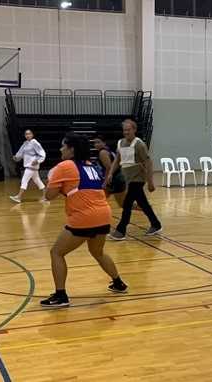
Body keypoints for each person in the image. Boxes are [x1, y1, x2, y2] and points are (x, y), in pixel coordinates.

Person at [40, 133, 128, 307]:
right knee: (98, 252)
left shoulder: (64, 166)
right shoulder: (91, 166)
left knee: (56, 253)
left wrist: (51, 182)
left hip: (84, 217)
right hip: (103, 214)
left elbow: (49, 196)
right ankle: (118, 283)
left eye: (63, 146)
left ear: (71, 149)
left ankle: (61, 296)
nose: (60, 149)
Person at [106, 119, 162, 240]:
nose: (126, 132)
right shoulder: (120, 143)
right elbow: (117, 160)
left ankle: (121, 230)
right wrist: (110, 173)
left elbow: (148, 162)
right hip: (128, 178)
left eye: (128, 129)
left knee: (127, 204)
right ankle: (156, 224)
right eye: (124, 130)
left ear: (134, 130)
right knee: (143, 203)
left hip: (138, 178)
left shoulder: (139, 144)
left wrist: (150, 181)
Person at [92, 136, 129, 209]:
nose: (96, 144)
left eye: (98, 142)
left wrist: (105, 183)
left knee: (122, 204)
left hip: (114, 180)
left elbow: (108, 168)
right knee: (100, 200)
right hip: (117, 178)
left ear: (104, 143)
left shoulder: (102, 152)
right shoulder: (108, 150)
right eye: (95, 143)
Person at [10, 129, 46, 203]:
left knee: (24, 180)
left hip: (32, 166)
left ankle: (19, 197)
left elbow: (42, 153)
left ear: (32, 135)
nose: (27, 135)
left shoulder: (35, 143)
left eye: (29, 134)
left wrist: (38, 160)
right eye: (26, 134)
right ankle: (45, 196)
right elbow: (21, 152)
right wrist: (16, 157)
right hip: (29, 166)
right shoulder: (25, 143)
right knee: (37, 181)